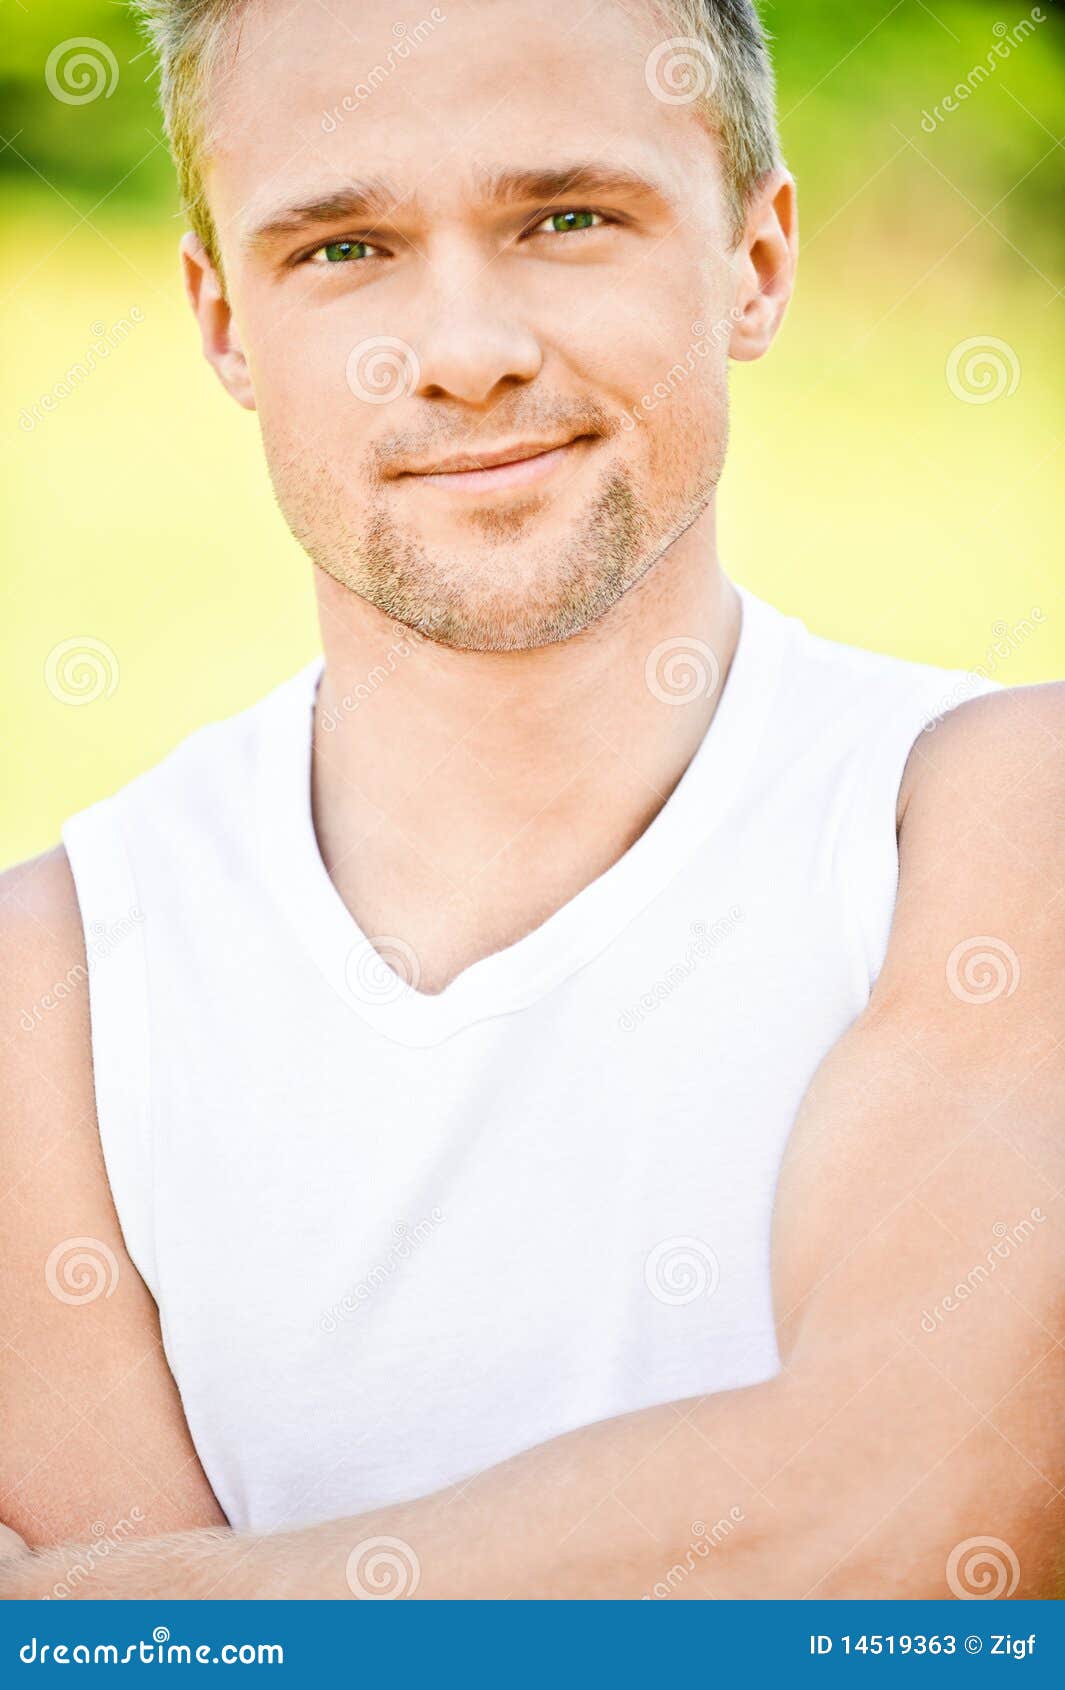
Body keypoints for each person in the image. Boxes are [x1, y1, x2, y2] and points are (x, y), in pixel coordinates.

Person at [2, 0, 1061, 1600]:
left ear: (753, 261)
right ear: (224, 318)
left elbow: (908, 1519)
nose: (467, 351)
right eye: (343, 249)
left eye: (567, 219)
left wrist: (108, 1609)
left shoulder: (995, 826)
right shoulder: (46, 994)